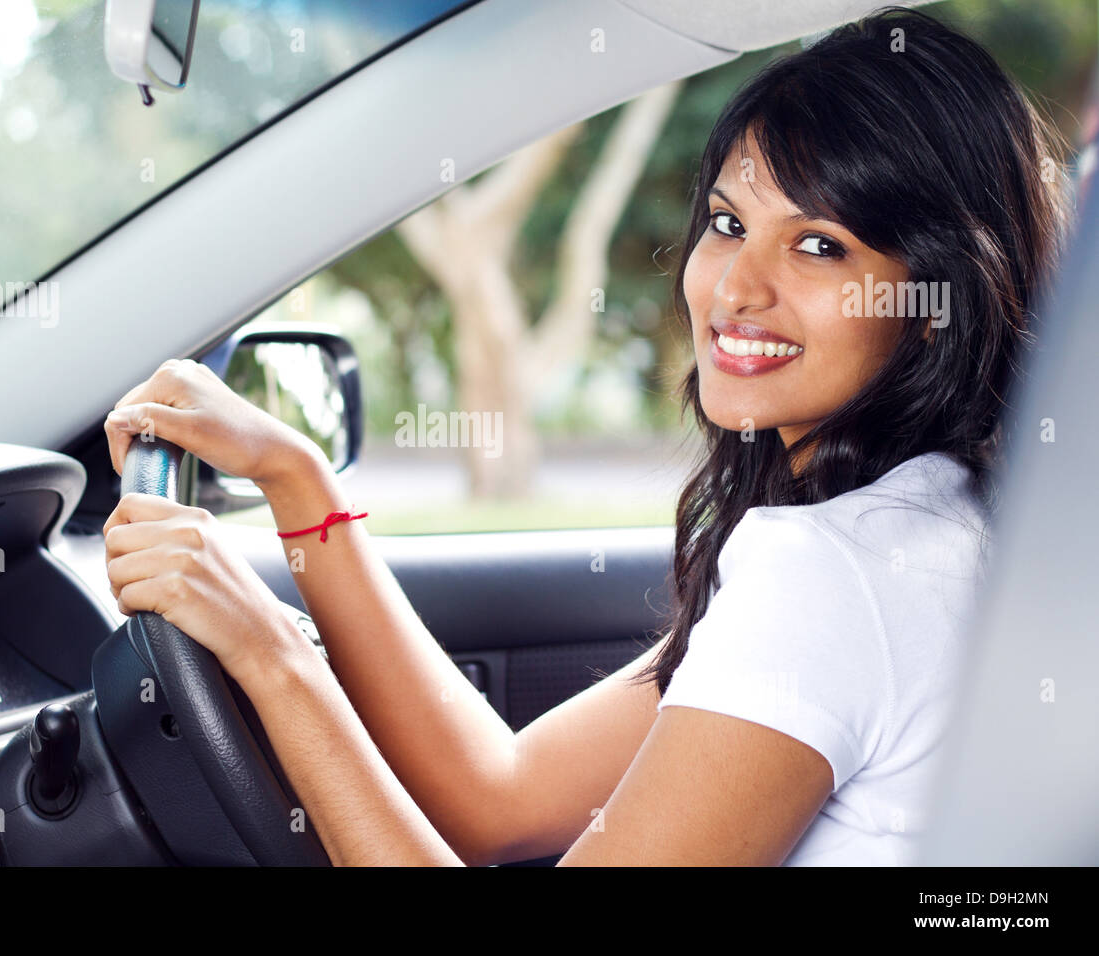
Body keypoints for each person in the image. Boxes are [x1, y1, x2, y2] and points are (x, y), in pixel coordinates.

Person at [98, 7, 1073, 865]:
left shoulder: (834, 571)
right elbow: (498, 797)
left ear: (938, 296)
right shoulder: (938, 526)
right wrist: (294, 475)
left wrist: (271, 652)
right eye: (729, 222)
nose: (735, 286)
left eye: (820, 245)